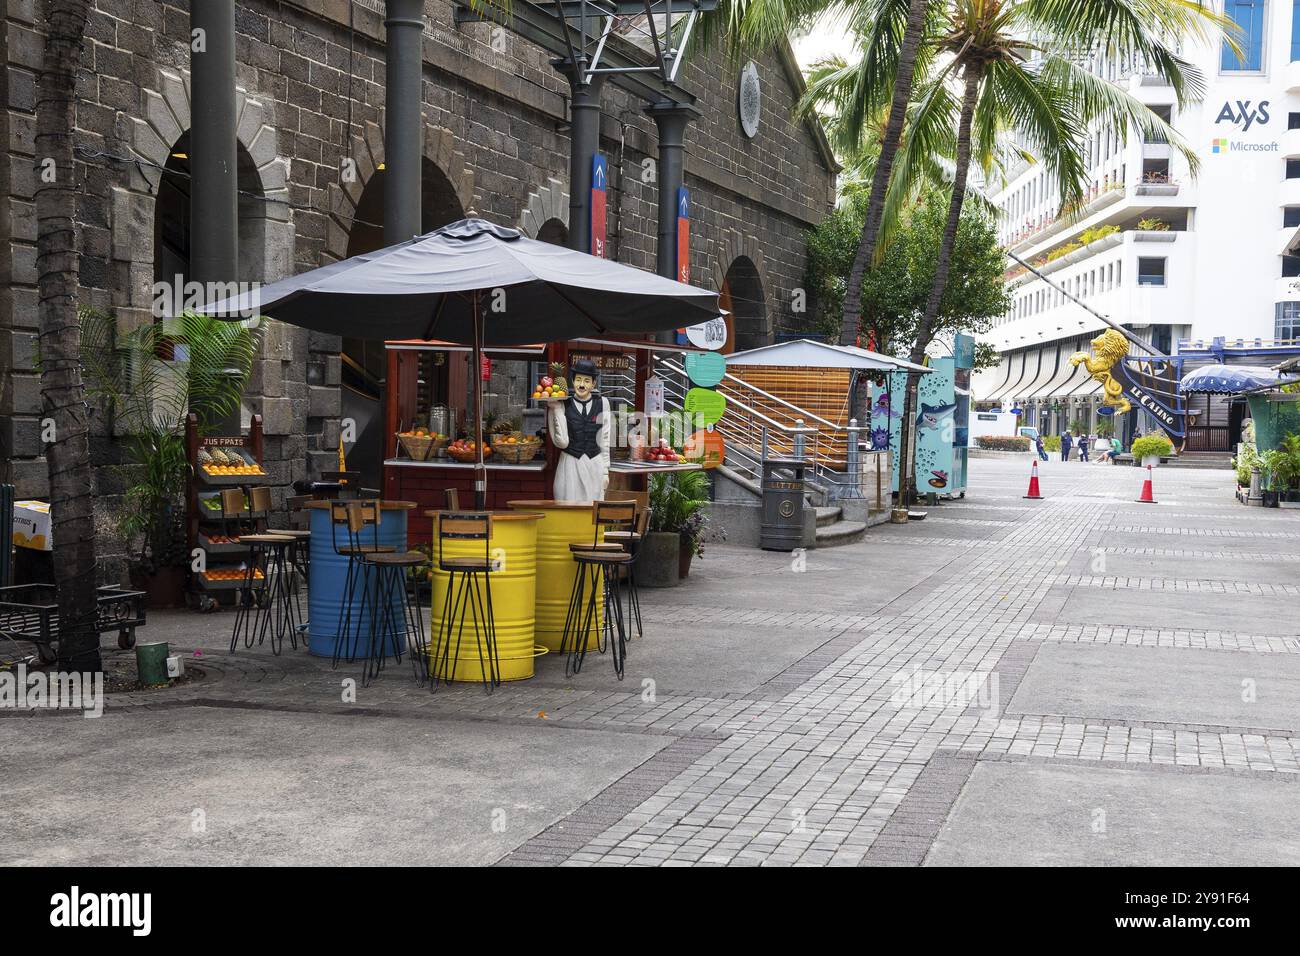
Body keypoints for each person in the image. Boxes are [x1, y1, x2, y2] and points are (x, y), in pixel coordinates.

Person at [547, 358, 610, 502]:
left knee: (592, 511)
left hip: (594, 464)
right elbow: (561, 442)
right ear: (573, 381)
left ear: (593, 383)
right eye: (578, 380)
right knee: (567, 507)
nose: (582, 385)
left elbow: (605, 438)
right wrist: (556, 410)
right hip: (570, 464)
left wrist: (606, 471)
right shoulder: (562, 403)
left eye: (587, 381)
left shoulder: (603, 404)